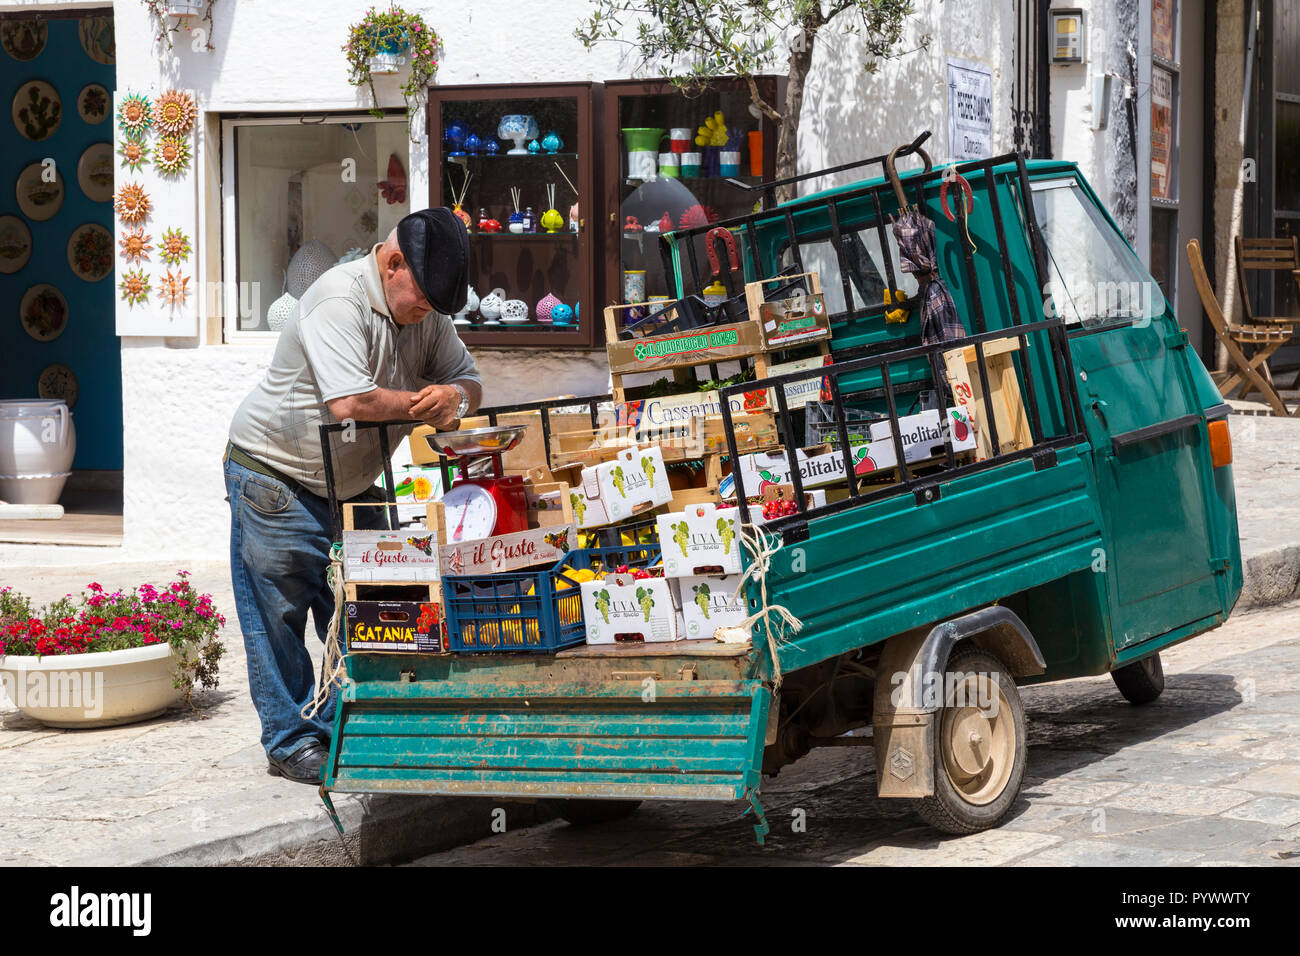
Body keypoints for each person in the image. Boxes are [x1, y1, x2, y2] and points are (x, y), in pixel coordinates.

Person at [224, 207, 482, 785]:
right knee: (279, 616)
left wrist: (455, 398)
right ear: (392, 263)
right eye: (420, 301)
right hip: (275, 476)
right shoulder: (336, 300)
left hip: (355, 482)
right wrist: (427, 404)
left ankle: (359, 724)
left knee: (374, 608)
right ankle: (291, 741)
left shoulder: (427, 308)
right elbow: (350, 403)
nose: (426, 315)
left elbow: (468, 380)